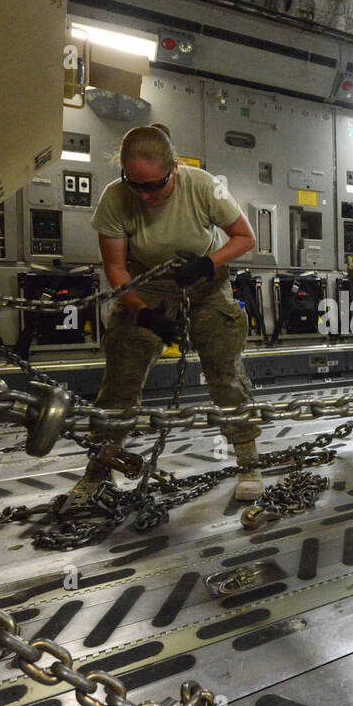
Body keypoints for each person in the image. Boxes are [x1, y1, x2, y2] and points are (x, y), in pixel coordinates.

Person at [67, 124, 264, 504]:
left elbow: (245, 237)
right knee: (120, 382)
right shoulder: (115, 198)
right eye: (135, 185)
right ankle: (97, 472)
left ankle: (248, 462)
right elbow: (116, 267)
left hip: (204, 282)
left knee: (225, 375)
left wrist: (207, 264)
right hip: (147, 283)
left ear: (174, 169)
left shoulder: (203, 186)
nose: (144, 195)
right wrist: (141, 313)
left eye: (154, 186)